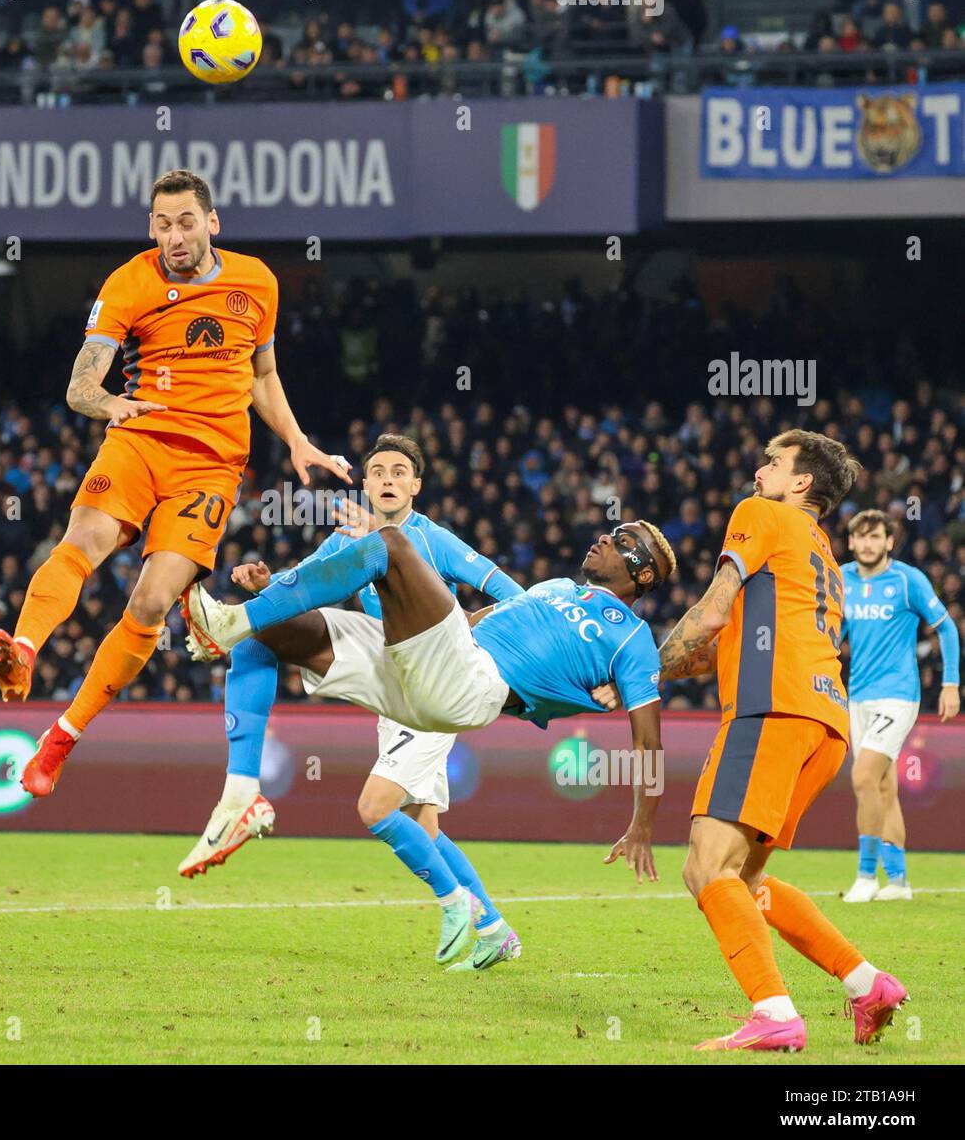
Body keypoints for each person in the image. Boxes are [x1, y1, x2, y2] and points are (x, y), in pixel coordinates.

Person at [0, 169, 351, 795]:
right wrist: (108, 405)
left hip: (210, 466)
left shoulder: (257, 281)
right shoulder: (130, 282)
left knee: (151, 603)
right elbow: (79, 387)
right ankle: (21, 650)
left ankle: (61, 737)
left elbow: (261, 375)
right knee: (84, 540)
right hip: (140, 439)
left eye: (184, 222)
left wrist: (296, 440)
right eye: (160, 224)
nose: (173, 236)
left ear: (212, 223)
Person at [183, 518, 674, 966]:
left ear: (644, 576)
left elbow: (649, 743)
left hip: (470, 680)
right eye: (613, 530)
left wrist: (642, 827)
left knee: (391, 544)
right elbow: (476, 623)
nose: (608, 537)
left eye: (625, 542)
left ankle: (232, 621)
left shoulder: (633, 640)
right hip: (429, 665)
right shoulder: (557, 587)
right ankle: (240, 796)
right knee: (263, 634)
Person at [178, 433, 525, 971]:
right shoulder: (347, 539)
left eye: (398, 471)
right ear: (364, 484)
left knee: (376, 808)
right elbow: (302, 588)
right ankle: (493, 927)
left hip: (435, 684)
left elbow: (513, 597)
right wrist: (266, 584)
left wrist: (476, 635)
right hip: (390, 688)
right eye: (378, 471)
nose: (387, 479)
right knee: (423, 828)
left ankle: (458, 907)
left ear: (416, 485)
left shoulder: (434, 539)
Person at [657, 430, 907, 1052]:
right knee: (743, 882)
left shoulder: (759, 514)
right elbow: (721, 646)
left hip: (770, 711)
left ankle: (774, 1016)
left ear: (800, 483)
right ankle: (867, 983)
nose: (759, 469)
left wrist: (642, 669)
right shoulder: (820, 550)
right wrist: (663, 663)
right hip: (824, 726)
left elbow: (712, 612)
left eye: (773, 461)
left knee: (705, 867)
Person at [840, 509, 959, 903]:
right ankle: (899, 882)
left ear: (890, 541)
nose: (869, 543)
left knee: (862, 777)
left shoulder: (908, 580)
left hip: (898, 695)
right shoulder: (841, 579)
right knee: (883, 787)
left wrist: (950, 684)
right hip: (858, 695)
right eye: (862, 537)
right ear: (852, 541)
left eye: (877, 536)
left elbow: (947, 627)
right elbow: (832, 636)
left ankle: (865, 876)